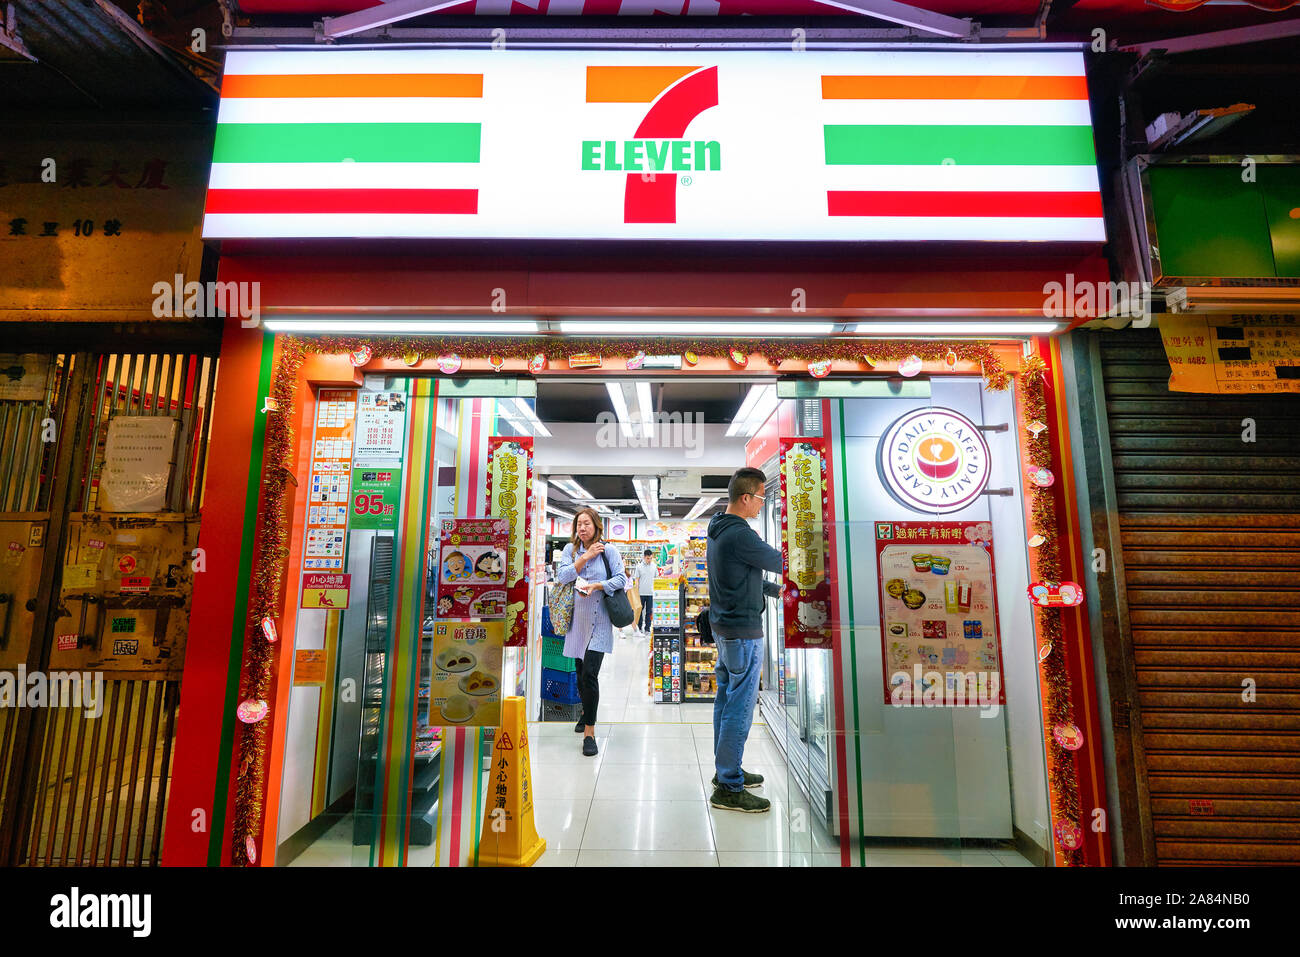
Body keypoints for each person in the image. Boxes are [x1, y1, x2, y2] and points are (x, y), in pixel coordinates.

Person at [707, 467, 782, 813]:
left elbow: (740, 575)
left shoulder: (718, 528)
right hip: (743, 631)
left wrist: (773, 590)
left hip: (725, 628)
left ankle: (726, 770)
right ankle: (729, 786)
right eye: (761, 498)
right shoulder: (741, 534)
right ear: (746, 497)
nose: (761, 505)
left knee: (726, 700)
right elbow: (783, 561)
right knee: (740, 706)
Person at [556, 507, 627, 756]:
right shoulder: (570, 551)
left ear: (597, 526)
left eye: (586, 524)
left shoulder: (610, 551)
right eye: (579, 525)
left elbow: (621, 579)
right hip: (577, 621)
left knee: (589, 675)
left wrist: (599, 585)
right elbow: (563, 576)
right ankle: (586, 711)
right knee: (578, 671)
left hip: (599, 621)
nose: (582, 528)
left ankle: (589, 731)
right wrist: (585, 557)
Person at [634, 548, 657, 634]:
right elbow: (636, 579)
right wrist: (636, 590)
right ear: (644, 557)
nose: (649, 560)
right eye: (648, 558)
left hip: (651, 593)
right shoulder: (639, 567)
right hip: (641, 592)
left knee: (649, 611)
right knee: (640, 610)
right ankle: (639, 627)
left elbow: (656, 579)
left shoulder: (654, 566)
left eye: (651, 558)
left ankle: (647, 628)